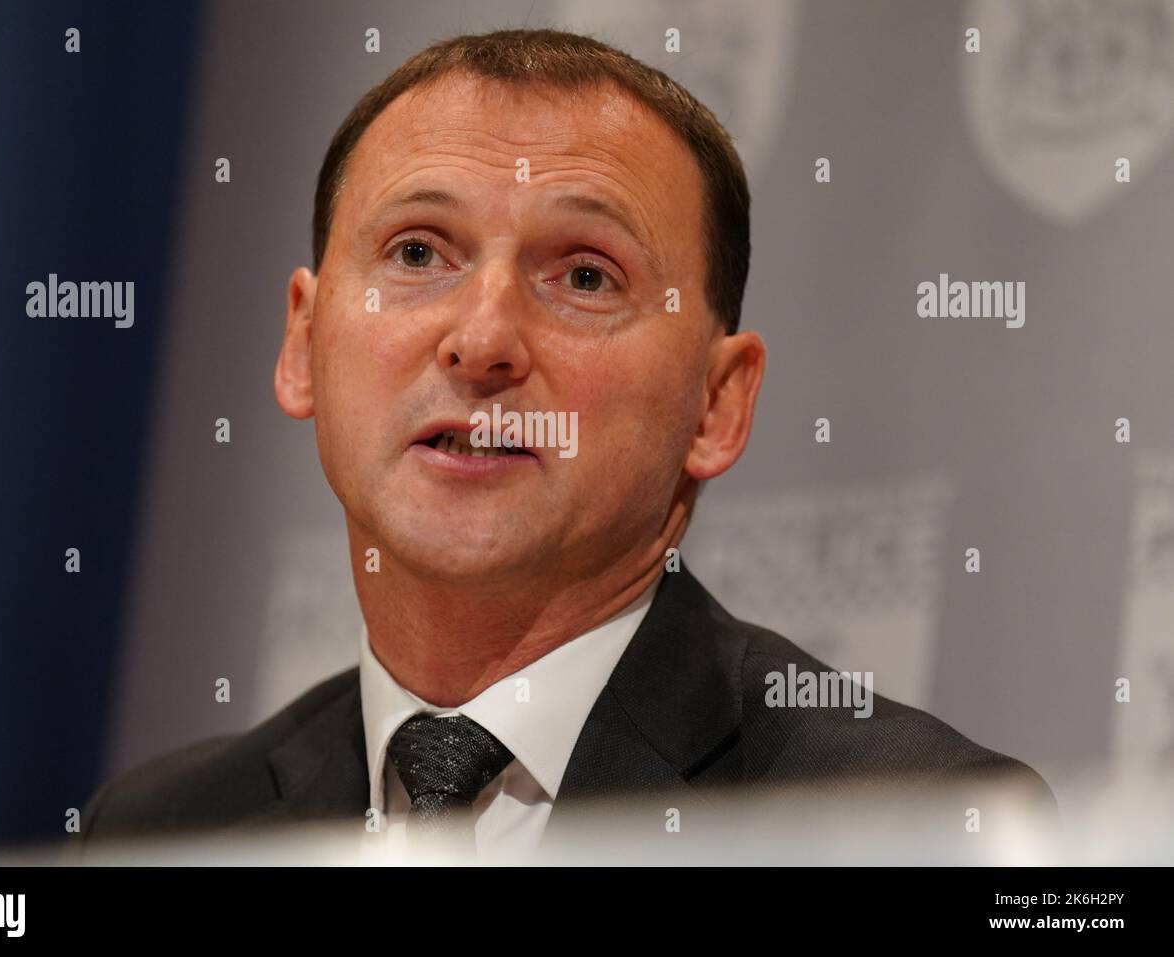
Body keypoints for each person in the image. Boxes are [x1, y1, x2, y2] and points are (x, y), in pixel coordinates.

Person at [76, 28, 1053, 863]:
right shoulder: (167, 833)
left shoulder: (906, 829)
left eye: (584, 277)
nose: (483, 340)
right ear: (302, 343)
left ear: (716, 404)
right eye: (418, 253)